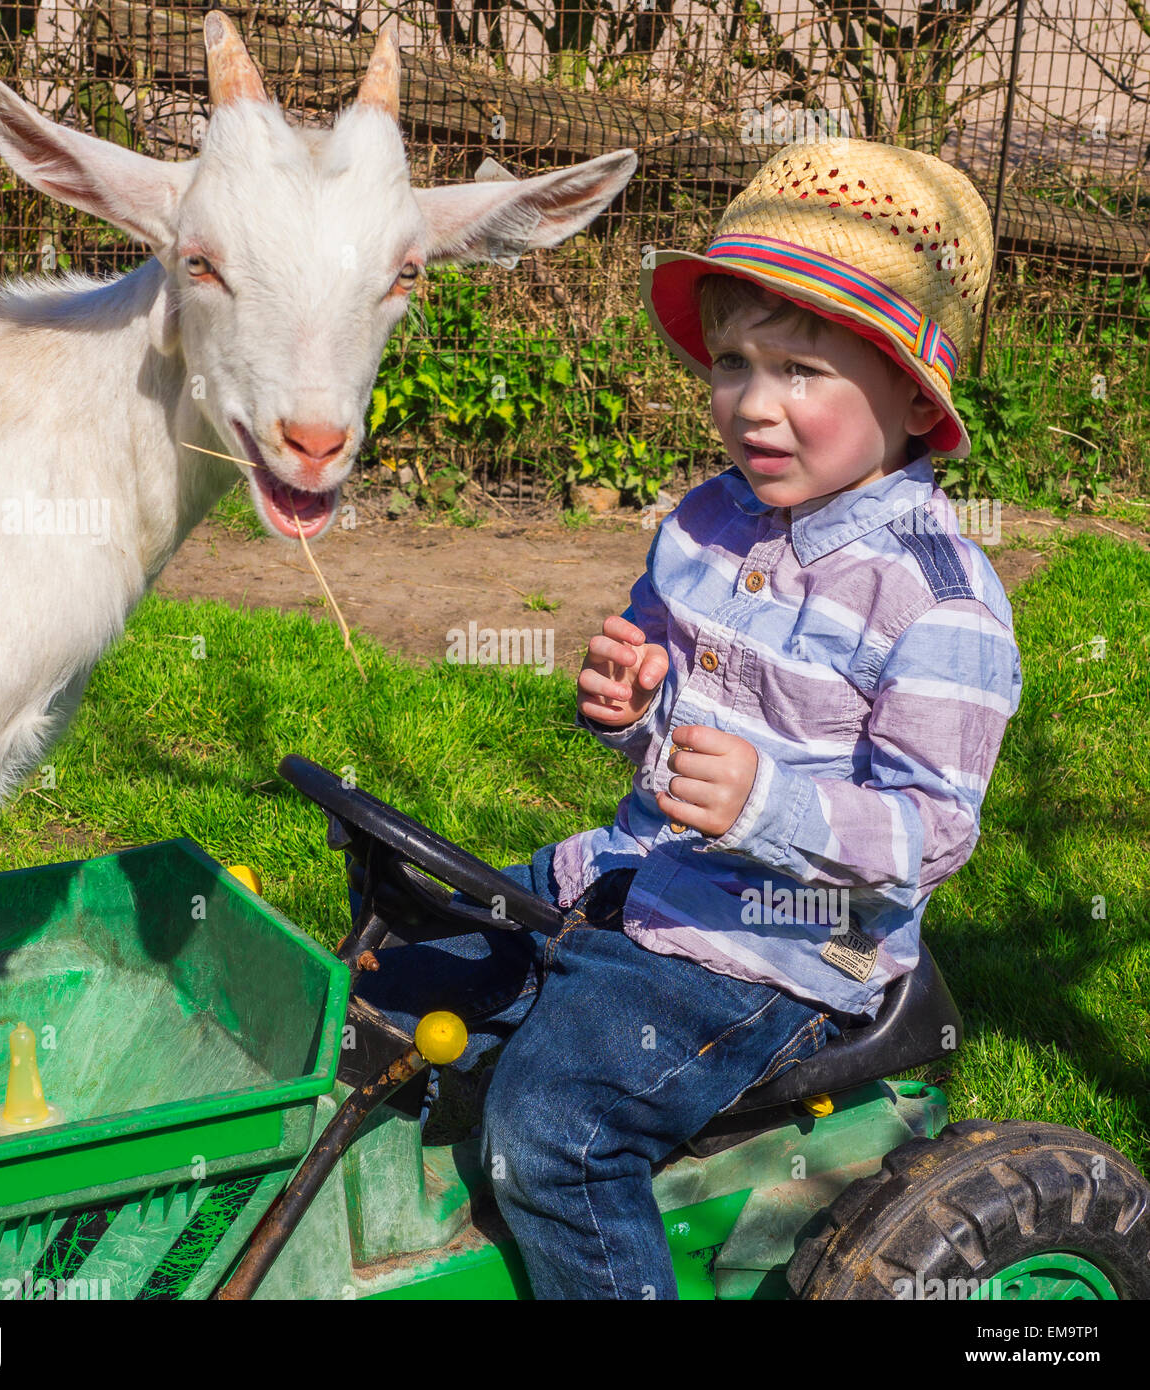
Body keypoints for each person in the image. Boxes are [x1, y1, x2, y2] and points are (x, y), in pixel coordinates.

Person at [352, 134, 1023, 1299]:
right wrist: (627, 706)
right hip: (628, 871)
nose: (754, 406)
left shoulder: (938, 601)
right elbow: (661, 710)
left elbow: (931, 833)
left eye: (802, 372)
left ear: (914, 398)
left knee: (552, 1125)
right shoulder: (704, 523)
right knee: (386, 982)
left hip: (781, 944)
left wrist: (770, 804)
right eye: (732, 363)